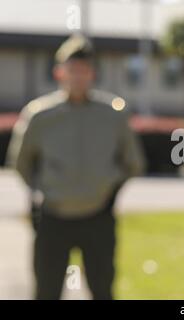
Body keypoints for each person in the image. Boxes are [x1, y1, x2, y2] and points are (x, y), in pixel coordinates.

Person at [6, 33, 146, 300]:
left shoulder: (112, 115)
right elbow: (21, 163)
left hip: (98, 218)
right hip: (53, 218)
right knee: (46, 291)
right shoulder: (40, 115)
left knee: (102, 290)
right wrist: (43, 191)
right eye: (72, 70)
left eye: (84, 70)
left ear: (92, 73)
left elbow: (133, 163)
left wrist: (108, 191)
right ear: (59, 73)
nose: (78, 77)